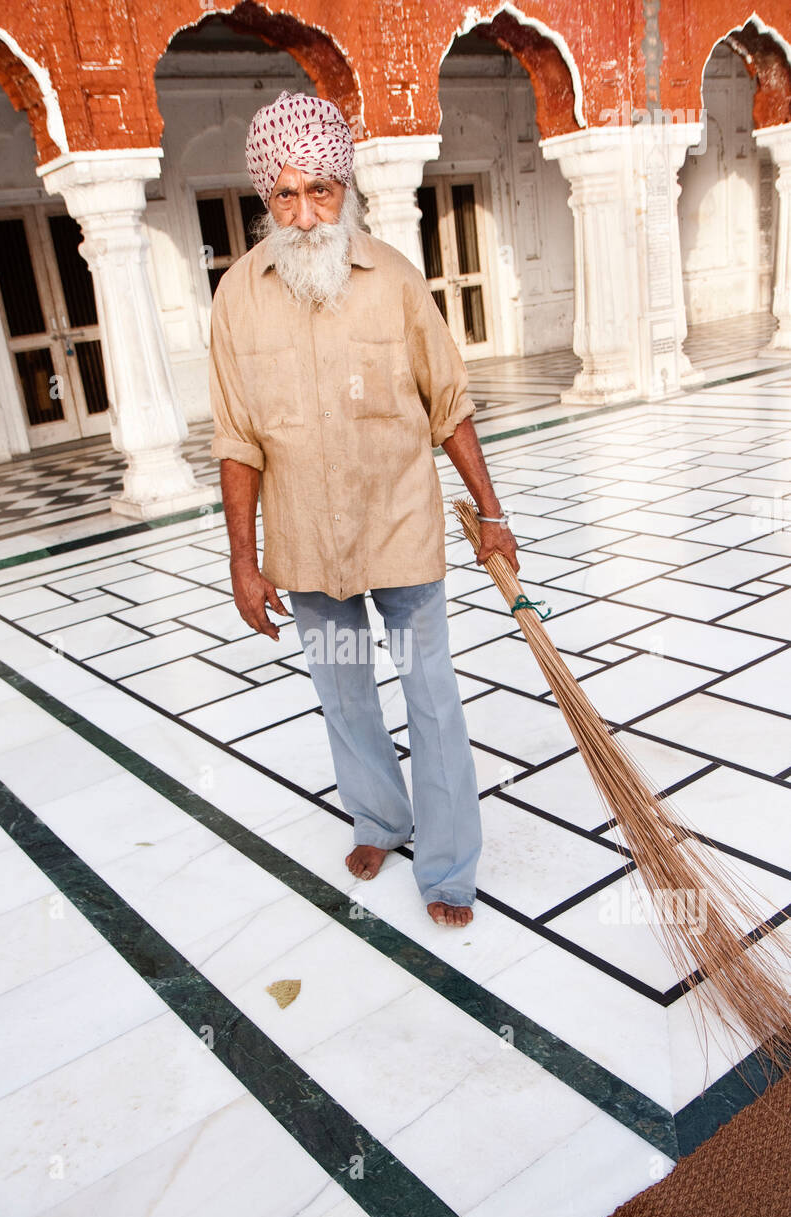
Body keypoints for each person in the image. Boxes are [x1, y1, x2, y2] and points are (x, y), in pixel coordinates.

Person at [208, 88, 519, 928]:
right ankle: (380, 819)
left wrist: (490, 508)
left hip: (401, 531)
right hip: (308, 545)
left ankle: (450, 866)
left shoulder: (395, 281)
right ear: (264, 199)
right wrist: (243, 559)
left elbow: (448, 403)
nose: (305, 214)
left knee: (432, 696)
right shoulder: (238, 295)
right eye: (285, 194)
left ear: (345, 189)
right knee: (343, 692)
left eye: (321, 191)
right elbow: (237, 437)